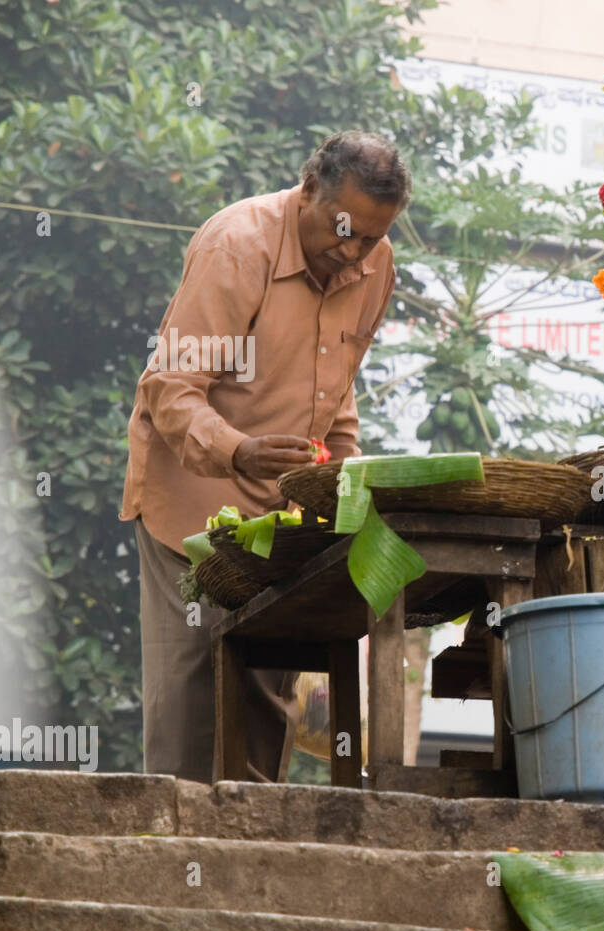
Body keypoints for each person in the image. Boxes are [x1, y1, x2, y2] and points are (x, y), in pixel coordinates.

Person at [119, 130, 410, 782]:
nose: (353, 250)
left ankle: (239, 869)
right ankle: (167, 866)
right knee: (191, 707)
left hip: (279, 524)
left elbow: (337, 382)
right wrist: (237, 449)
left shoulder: (374, 263)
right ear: (308, 190)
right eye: (343, 229)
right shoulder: (237, 245)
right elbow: (170, 386)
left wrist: (344, 474)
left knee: (263, 708)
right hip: (189, 508)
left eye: (371, 237)